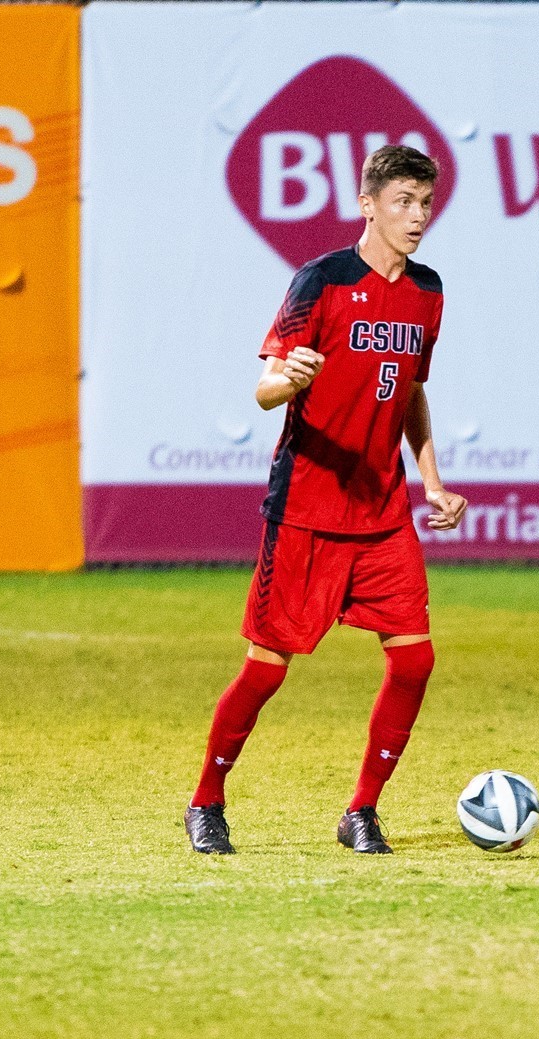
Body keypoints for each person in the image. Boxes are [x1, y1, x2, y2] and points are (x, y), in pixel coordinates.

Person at [185, 144, 466, 856]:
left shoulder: (429, 291)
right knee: (266, 668)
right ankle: (207, 800)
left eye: (426, 202)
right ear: (368, 204)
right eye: (403, 201)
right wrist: (292, 376)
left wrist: (431, 479)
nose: (417, 216)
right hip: (306, 510)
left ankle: (362, 811)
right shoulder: (323, 280)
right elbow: (266, 386)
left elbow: (410, 393)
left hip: (381, 517)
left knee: (415, 661)